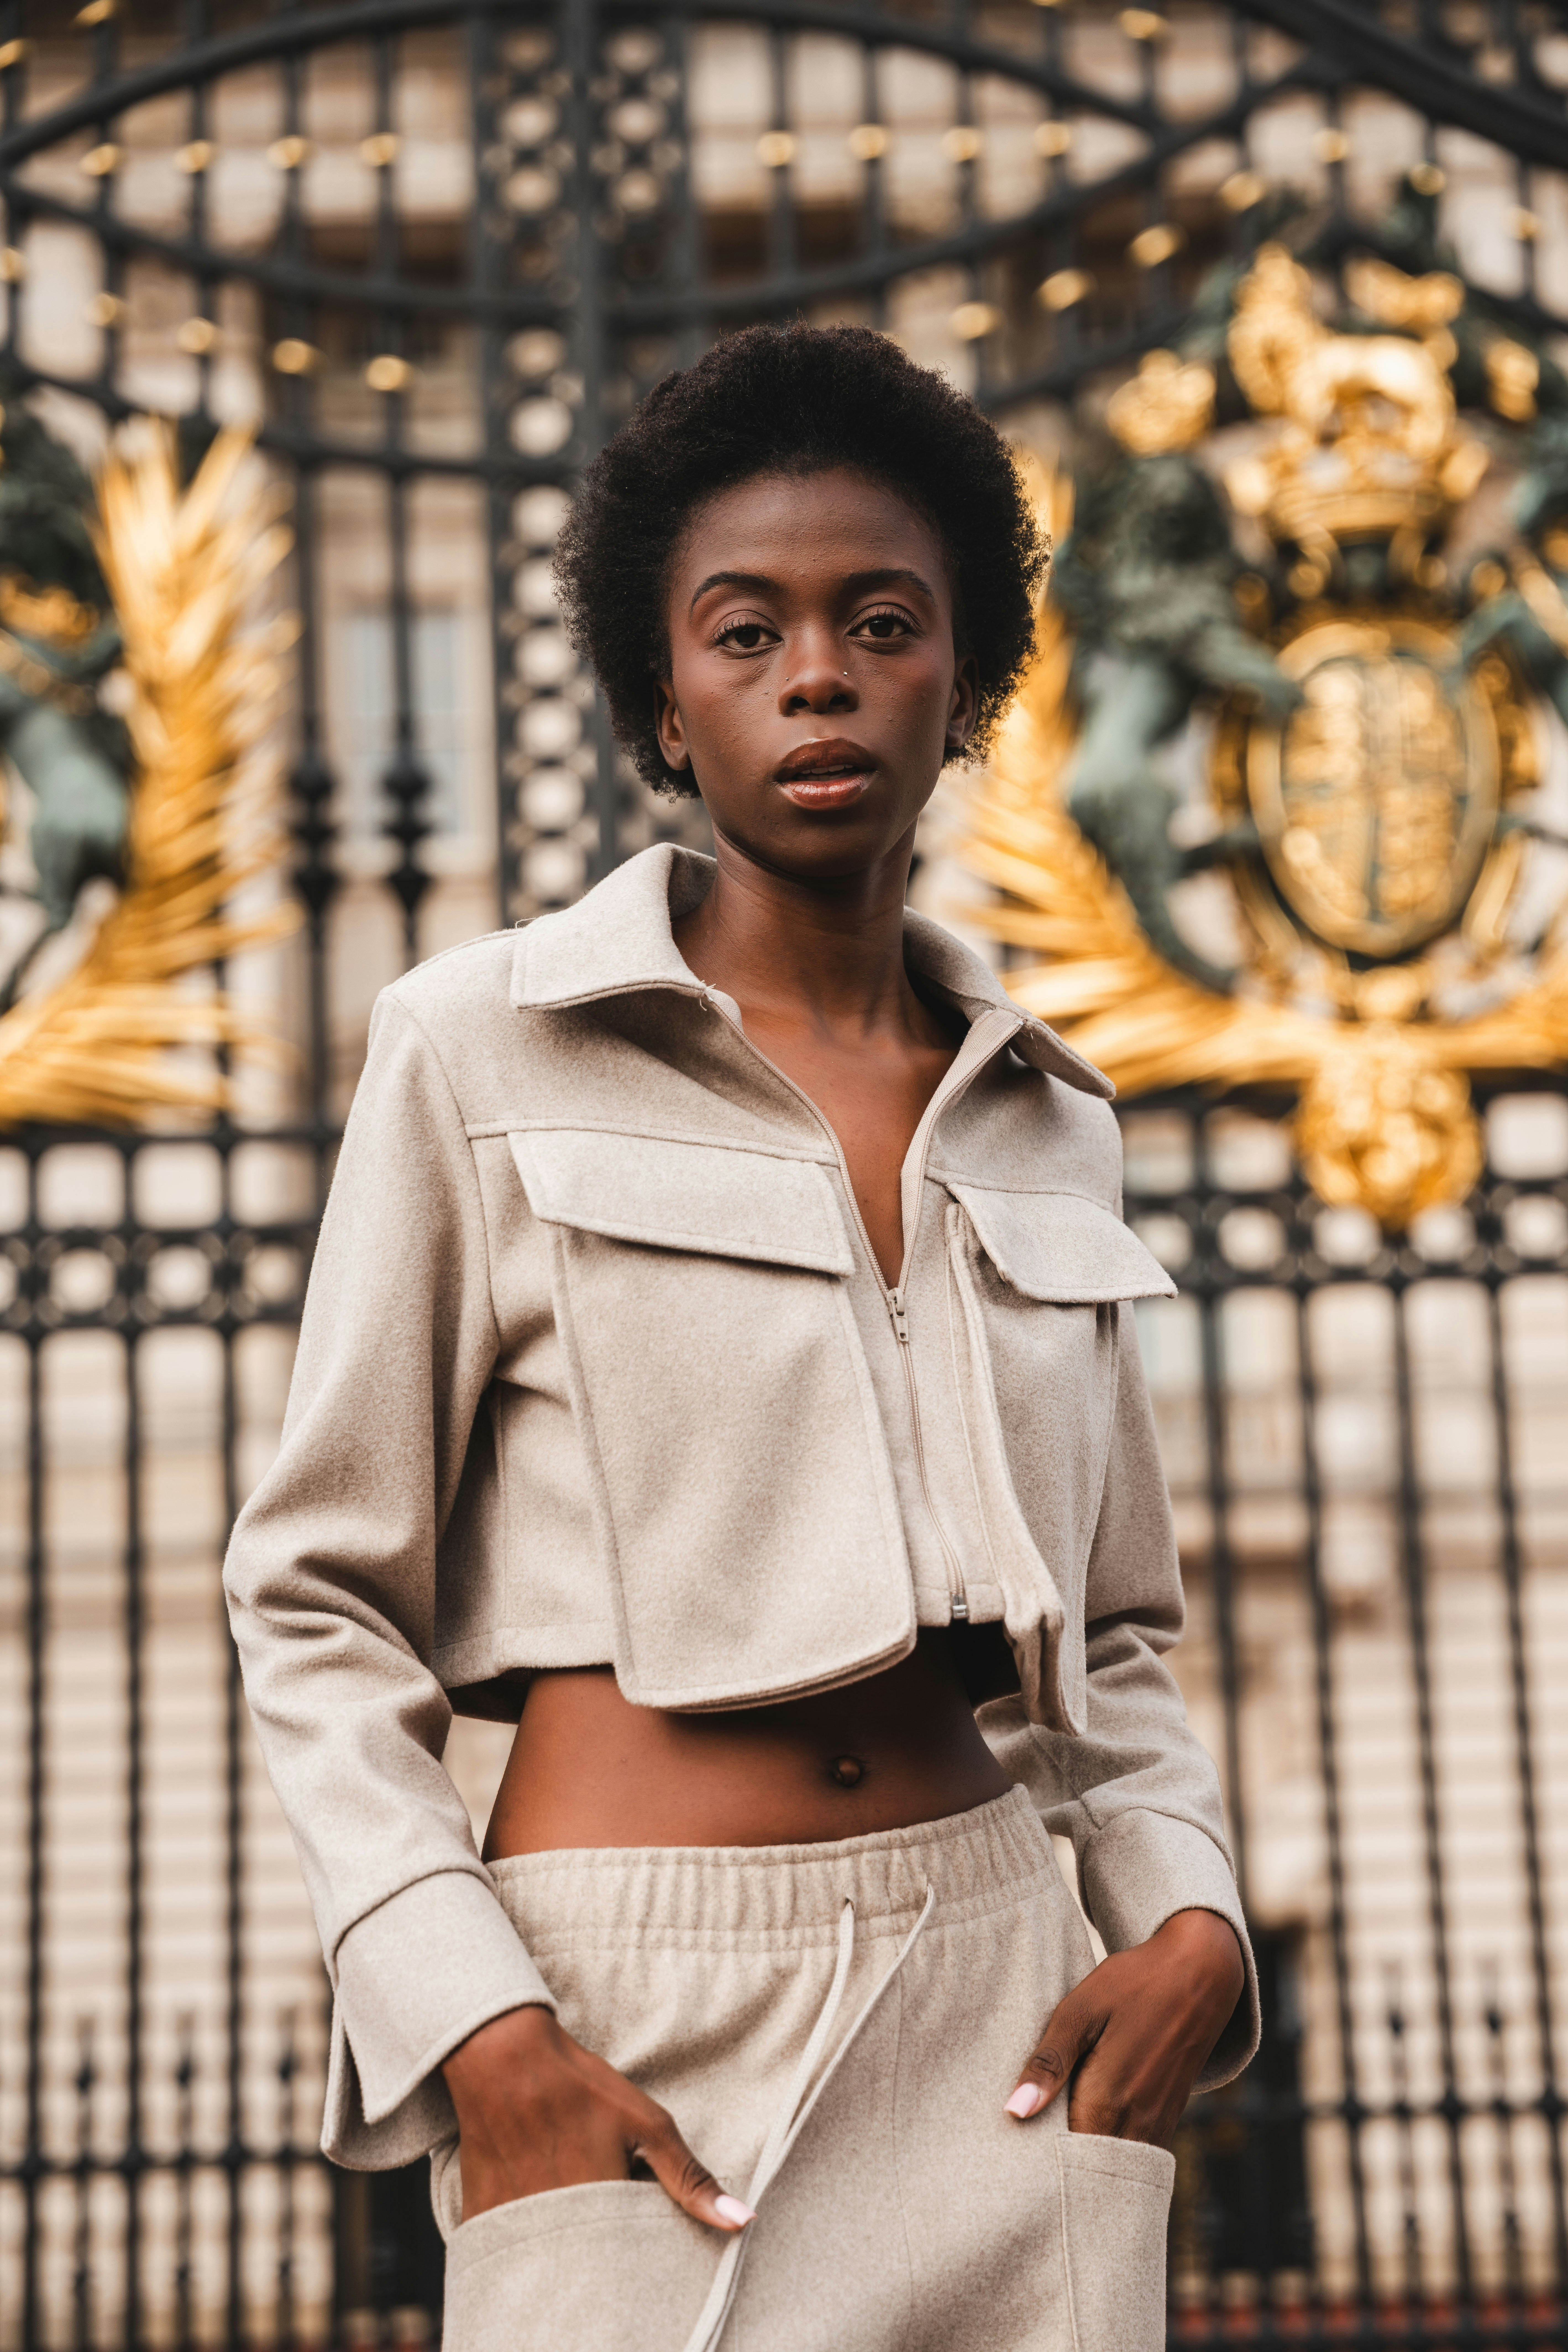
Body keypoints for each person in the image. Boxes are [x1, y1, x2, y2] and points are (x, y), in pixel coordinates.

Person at [224, 322, 1257, 2352]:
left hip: (1003, 2008)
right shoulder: (477, 1045)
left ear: (964, 687)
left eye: (883, 621)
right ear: (663, 701)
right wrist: (474, 2018)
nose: (817, 672)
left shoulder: (1055, 1110)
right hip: (633, 2024)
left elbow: (1114, 1632)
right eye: (744, 629)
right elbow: (313, 1595)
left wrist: (1194, 1910)